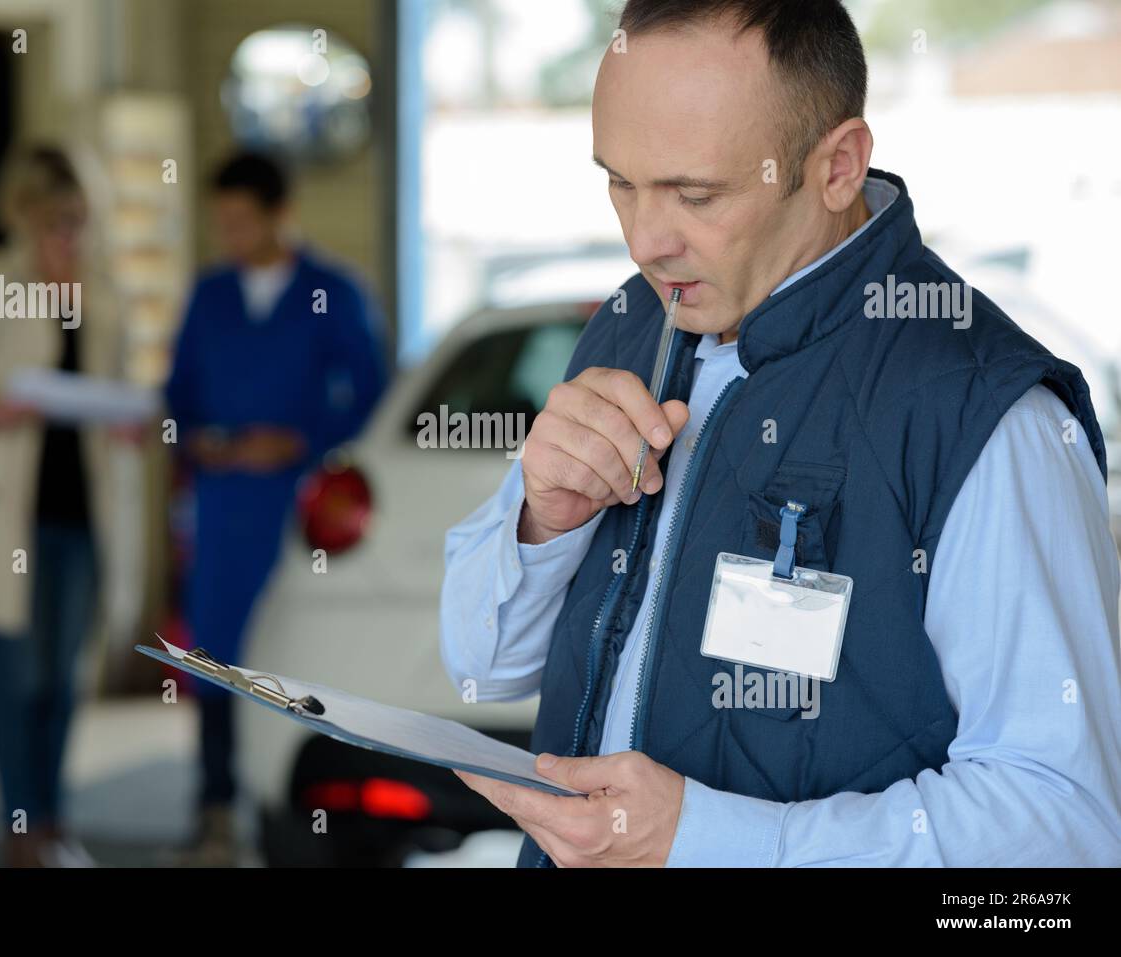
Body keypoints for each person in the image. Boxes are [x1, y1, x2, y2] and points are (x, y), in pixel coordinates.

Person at [440, 0, 1121, 867]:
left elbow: (1064, 827)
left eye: (696, 193)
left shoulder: (986, 415)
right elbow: (482, 665)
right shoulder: (631, 328)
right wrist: (543, 523)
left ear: (838, 166)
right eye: (618, 180)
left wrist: (710, 841)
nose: (646, 240)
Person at [164, 151, 389, 865]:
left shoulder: (331, 291)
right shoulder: (209, 296)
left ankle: (302, 809)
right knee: (214, 657)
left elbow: (372, 397)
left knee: (296, 654)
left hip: (298, 512)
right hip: (223, 506)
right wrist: (205, 441)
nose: (230, 235)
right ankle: (215, 808)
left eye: (242, 221)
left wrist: (298, 443)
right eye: (220, 222)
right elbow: (177, 394)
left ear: (279, 214)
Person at [0, 145, 132, 867]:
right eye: (53, 223)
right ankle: (20, 827)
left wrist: (133, 420)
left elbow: (121, 393)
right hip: (3, 513)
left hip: (81, 515)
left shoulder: (105, 296)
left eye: (77, 221)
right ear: (25, 221)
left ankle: (52, 821)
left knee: (63, 680)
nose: (66, 237)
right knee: (14, 680)